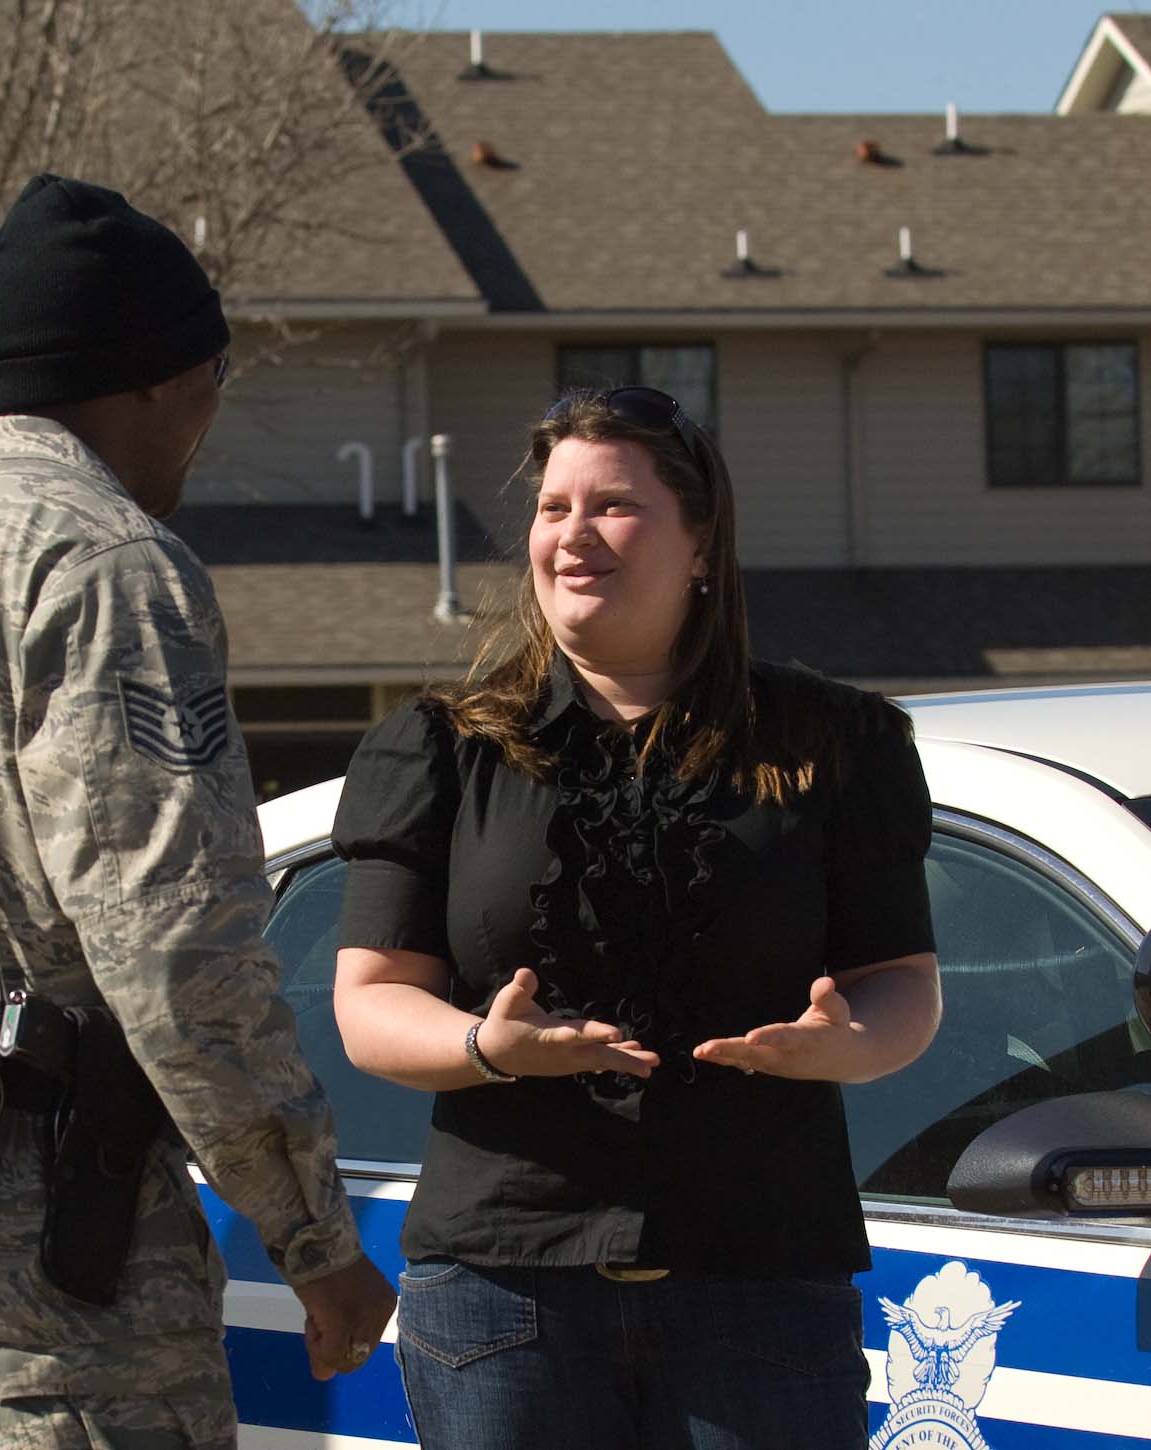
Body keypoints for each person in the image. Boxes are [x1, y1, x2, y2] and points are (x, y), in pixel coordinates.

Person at [0, 174, 394, 1449]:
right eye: (214, 370)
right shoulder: (110, 567)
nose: (213, 413)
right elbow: (177, 948)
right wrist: (314, 1236)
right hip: (45, 1254)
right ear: (153, 376)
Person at [329, 386, 941, 1450]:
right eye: (553, 506)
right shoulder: (438, 747)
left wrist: (848, 1044)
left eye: (613, 505)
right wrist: (488, 1047)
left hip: (759, 1290)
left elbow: (904, 984)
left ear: (701, 541)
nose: (572, 533)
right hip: (504, 1306)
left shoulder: (838, 741)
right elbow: (370, 1002)